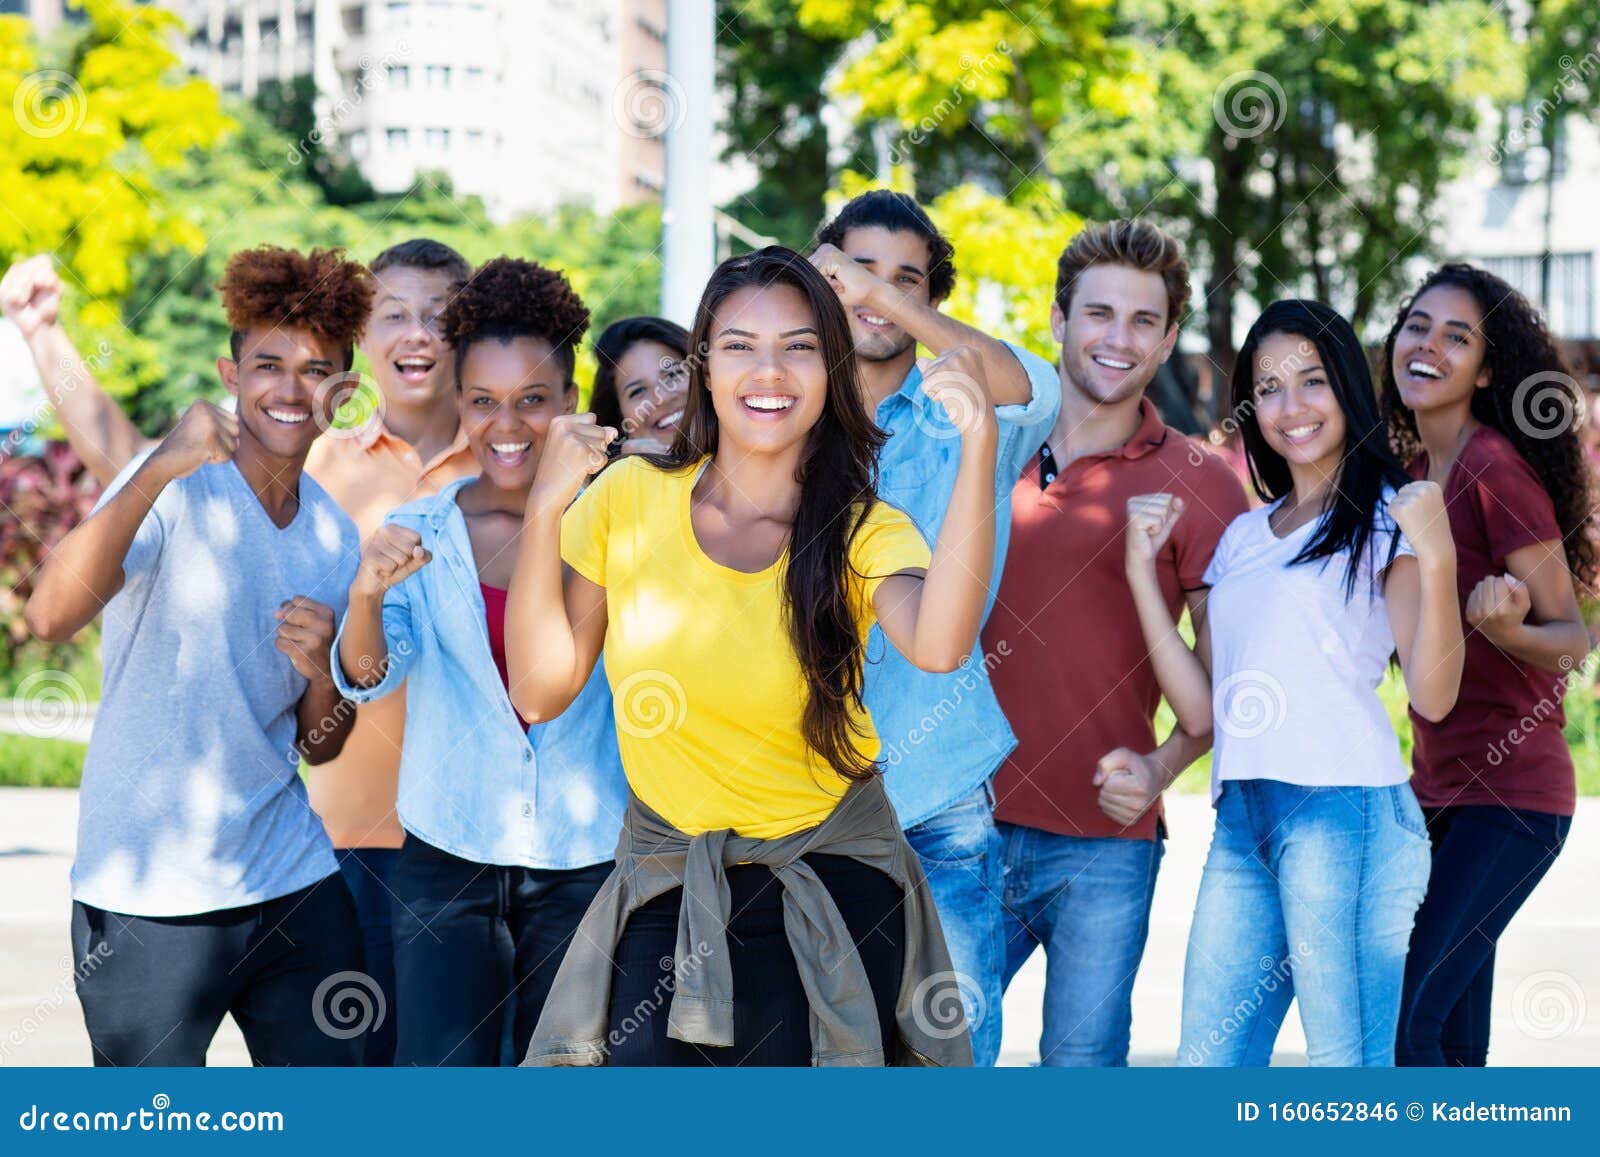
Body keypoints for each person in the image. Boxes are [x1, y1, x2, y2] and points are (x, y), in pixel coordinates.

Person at [1, 240, 480, 1065]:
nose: (290, 389)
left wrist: (323, 661)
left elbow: (317, 740)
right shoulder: (173, 482)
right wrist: (155, 466)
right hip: (147, 891)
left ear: (343, 388)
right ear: (231, 377)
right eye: (268, 365)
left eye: (316, 371)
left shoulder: (332, 532)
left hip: (289, 876)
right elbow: (46, 618)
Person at [509, 246, 989, 1067]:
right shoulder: (627, 499)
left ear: (831, 367)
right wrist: (548, 505)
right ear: (704, 365)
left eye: (798, 346)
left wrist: (978, 443)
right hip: (671, 881)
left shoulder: (860, 527)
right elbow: (541, 689)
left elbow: (940, 645)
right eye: (739, 345)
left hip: (831, 885)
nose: (769, 371)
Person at [1127, 299, 1462, 1066]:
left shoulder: (1388, 517)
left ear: (1348, 385)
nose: (1291, 407)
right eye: (1268, 388)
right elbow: (1204, 704)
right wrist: (1141, 575)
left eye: (1311, 380)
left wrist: (1438, 558)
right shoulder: (1247, 535)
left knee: (1347, 1076)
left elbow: (1435, 696)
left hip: (1344, 813)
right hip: (1243, 817)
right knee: (1207, 1068)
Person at [333, 257, 627, 1066]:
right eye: (485, 401)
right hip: (446, 854)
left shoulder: (616, 519)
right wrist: (364, 594)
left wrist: (548, 507)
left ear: (569, 401)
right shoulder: (419, 524)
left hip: (582, 853)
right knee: (442, 1083)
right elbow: (370, 673)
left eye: (533, 400)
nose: (509, 424)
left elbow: (552, 693)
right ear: (460, 405)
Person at [979, 220, 1249, 1065]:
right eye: (1098, 313)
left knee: (1083, 1073)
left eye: (1143, 321)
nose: (1118, 338)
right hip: (958, 829)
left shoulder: (1204, 484)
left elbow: (1224, 686)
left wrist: (1163, 770)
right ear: (1057, 320)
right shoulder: (985, 445)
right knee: (935, 1061)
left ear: (1169, 338)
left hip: (1105, 842)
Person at [808, 190, 1061, 1065]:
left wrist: (879, 293)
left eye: (905, 280)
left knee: (950, 1062)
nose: (875, 296)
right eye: (853, 272)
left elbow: (1031, 384)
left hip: (937, 792)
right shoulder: (778, 410)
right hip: (796, 796)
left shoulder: (968, 409)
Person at [1380, 264, 1594, 1066]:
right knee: (1455, 1042)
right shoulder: (1411, 479)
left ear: (1487, 369)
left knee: (1408, 1023)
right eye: (1417, 326)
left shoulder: (1492, 469)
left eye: (1456, 336)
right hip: (1436, 791)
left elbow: (1573, 636)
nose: (1428, 345)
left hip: (1511, 801)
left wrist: (1509, 634)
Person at [589, 315, 690, 456]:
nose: (662, 397)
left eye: (673, 375)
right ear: (619, 420)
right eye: (638, 391)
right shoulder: (618, 476)